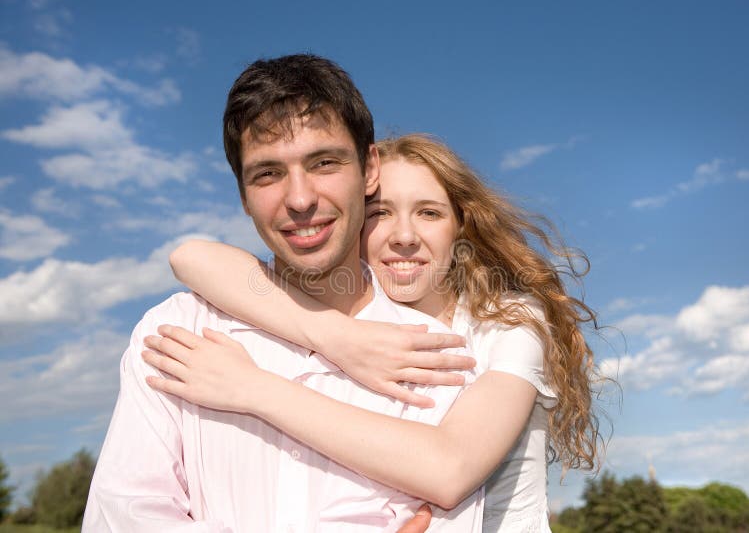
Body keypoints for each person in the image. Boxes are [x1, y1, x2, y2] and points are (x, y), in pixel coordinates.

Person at [84, 55, 483, 532]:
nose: (299, 199)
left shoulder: (435, 359)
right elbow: (123, 517)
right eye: (268, 173)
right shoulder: (176, 333)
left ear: (369, 169)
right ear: (243, 194)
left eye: (324, 162)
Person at [144, 135, 603, 532]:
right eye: (381, 213)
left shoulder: (508, 322)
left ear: (461, 225)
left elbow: (450, 468)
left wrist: (253, 388)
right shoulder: (349, 325)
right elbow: (191, 257)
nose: (404, 236)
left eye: (428, 213)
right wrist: (331, 334)